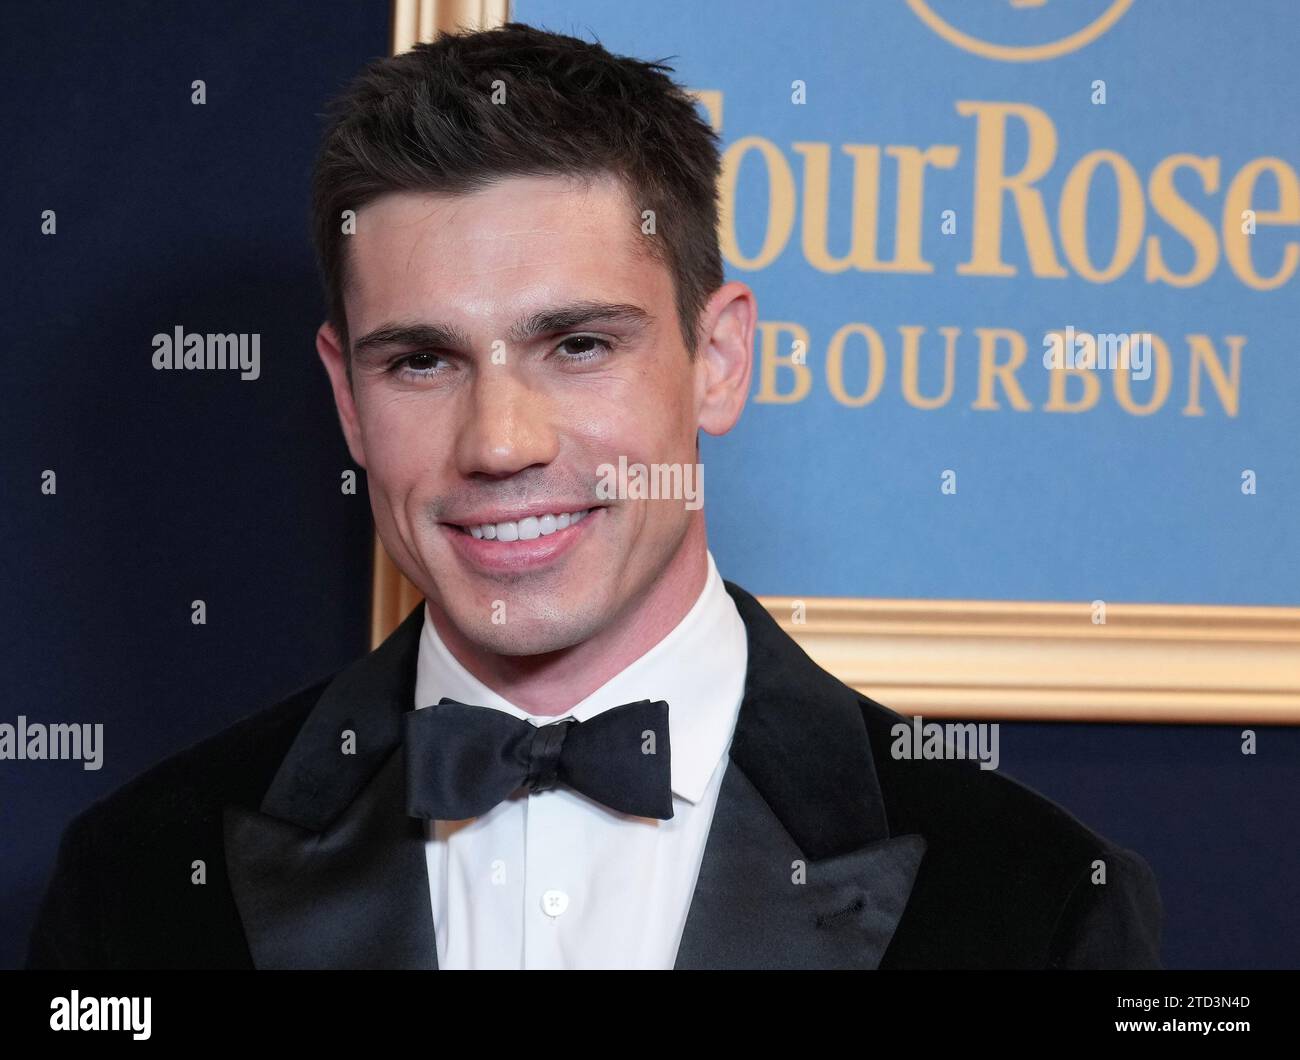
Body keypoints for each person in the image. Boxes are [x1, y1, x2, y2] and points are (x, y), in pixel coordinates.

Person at [26, 22, 1162, 970]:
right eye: (421, 361)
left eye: (575, 344)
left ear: (717, 359)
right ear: (347, 395)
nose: (499, 442)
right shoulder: (137, 886)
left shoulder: (1031, 902)